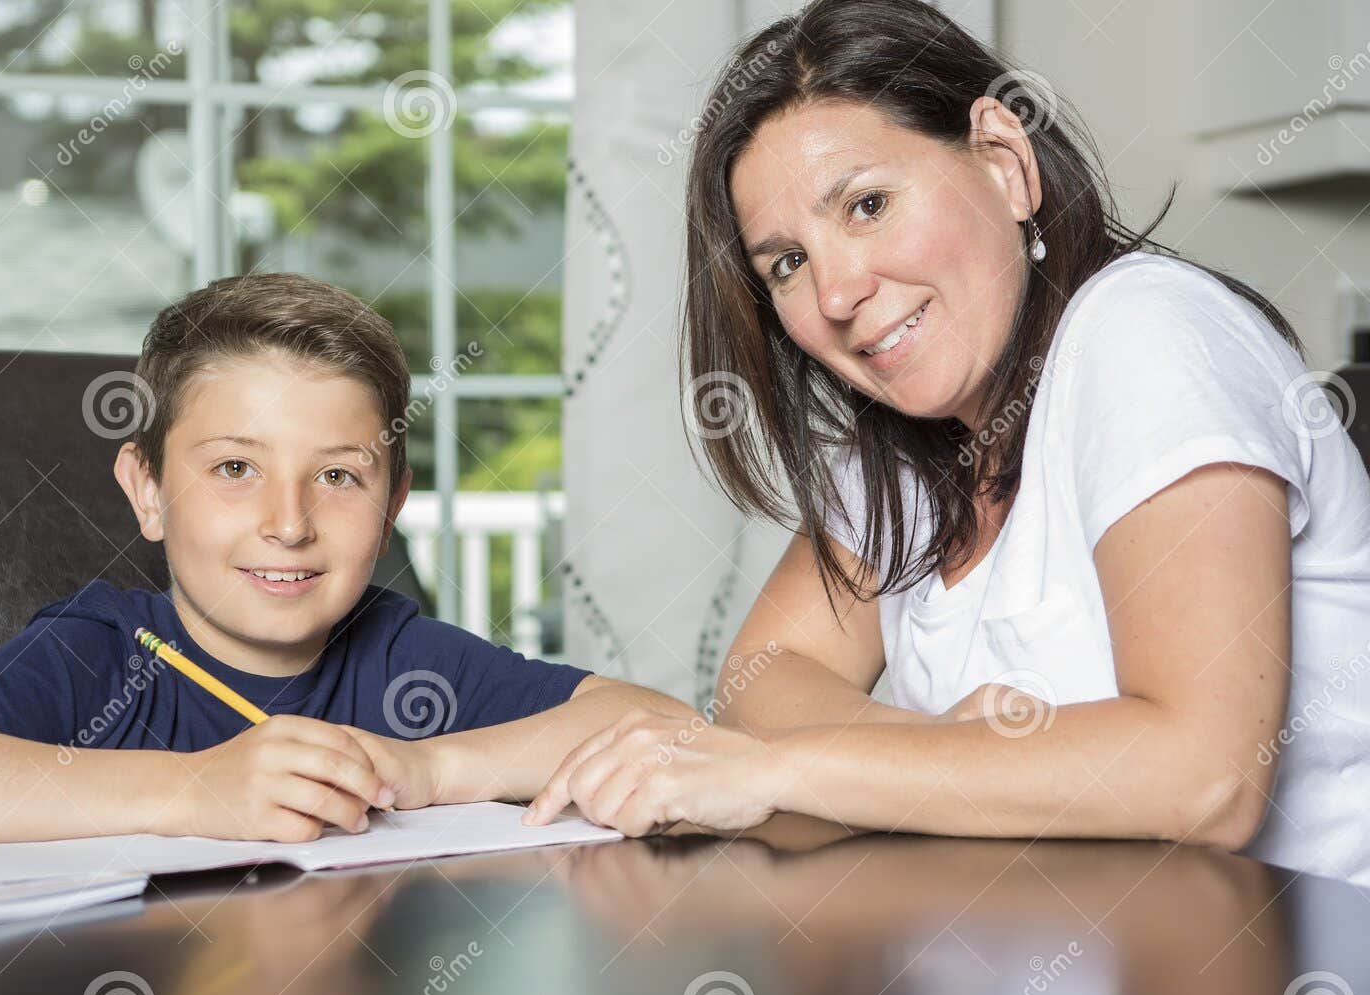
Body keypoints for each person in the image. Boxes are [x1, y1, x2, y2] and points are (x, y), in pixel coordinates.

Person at [527, 0, 1370, 889]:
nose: (839, 291)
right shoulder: (904, 443)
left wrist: (784, 770)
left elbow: (1205, 777)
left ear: (1005, 163)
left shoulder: (1150, 329)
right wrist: (949, 755)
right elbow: (766, 677)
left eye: (868, 203)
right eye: (786, 263)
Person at [0, 274, 686, 843]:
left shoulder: (398, 657)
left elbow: (665, 727)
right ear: (148, 490)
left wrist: (429, 767)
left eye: (339, 476)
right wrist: (195, 790)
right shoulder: (103, 650)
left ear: (391, 510)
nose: (289, 522)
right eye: (236, 468)